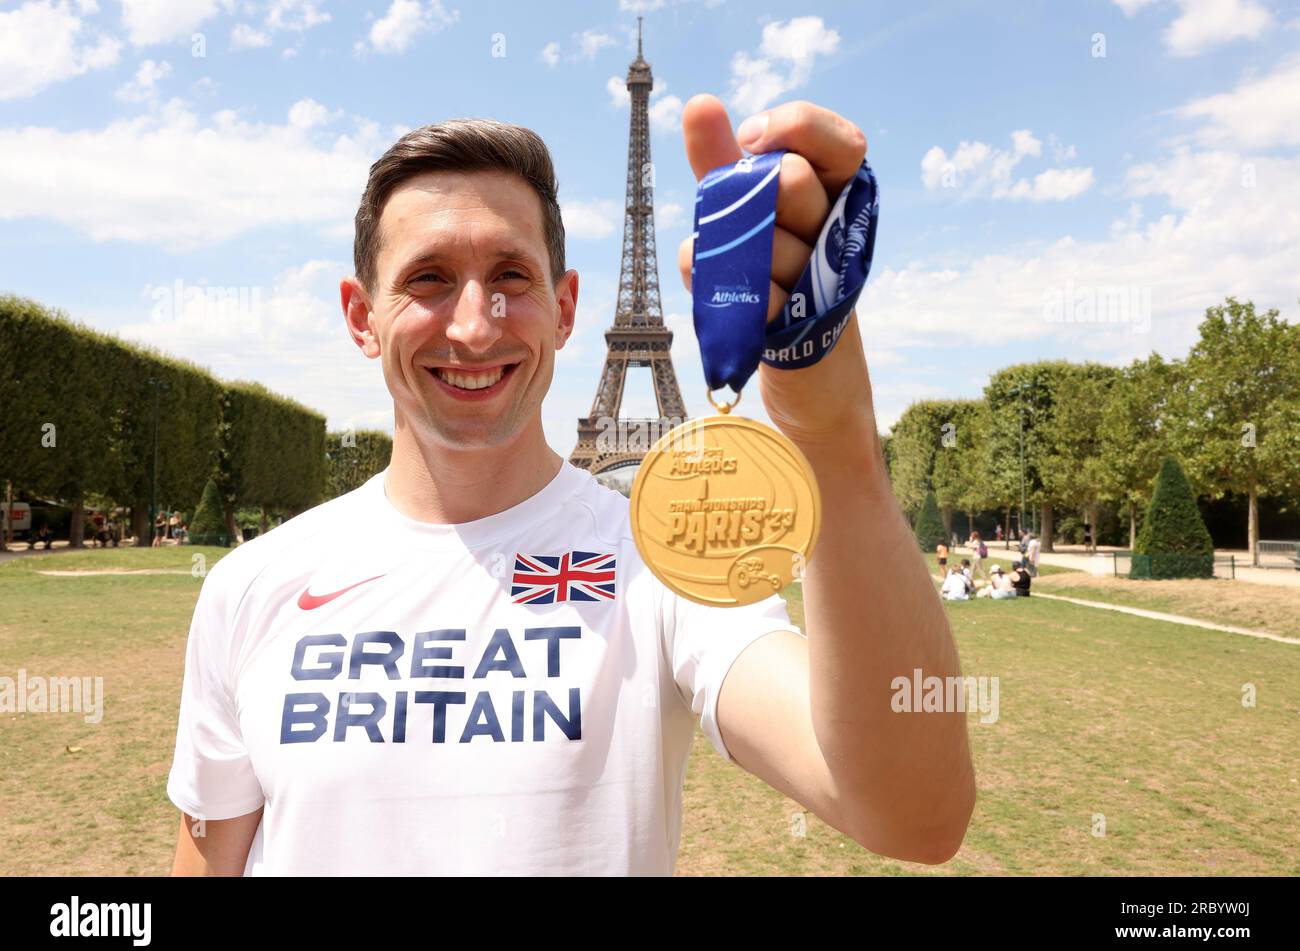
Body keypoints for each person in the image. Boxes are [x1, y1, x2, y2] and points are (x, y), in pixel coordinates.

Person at [166, 100, 974, 876]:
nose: (476, 327)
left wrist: (832, 434)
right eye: (429, 279)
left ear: (566, 307)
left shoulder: (663, 569)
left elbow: (912, 815)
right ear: (360, 316)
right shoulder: (250, 588)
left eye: (511, 275)